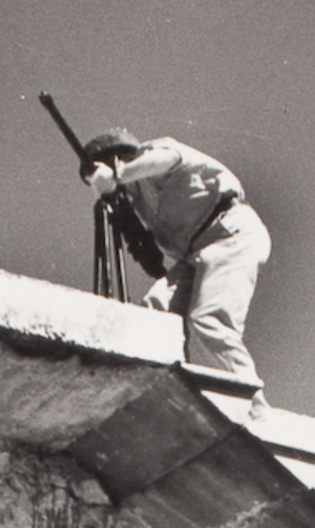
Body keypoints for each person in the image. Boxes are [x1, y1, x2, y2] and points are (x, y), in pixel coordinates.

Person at [78, 129, 270, 390]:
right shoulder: (137, 202)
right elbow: (145, 248)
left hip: (229, 233)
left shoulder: (150, 155)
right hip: (196, 255)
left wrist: (118, 174)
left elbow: (169, 159)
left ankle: (250, 407)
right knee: (156, 312)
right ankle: (174, 390)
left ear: (116, 158)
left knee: (208, 320)